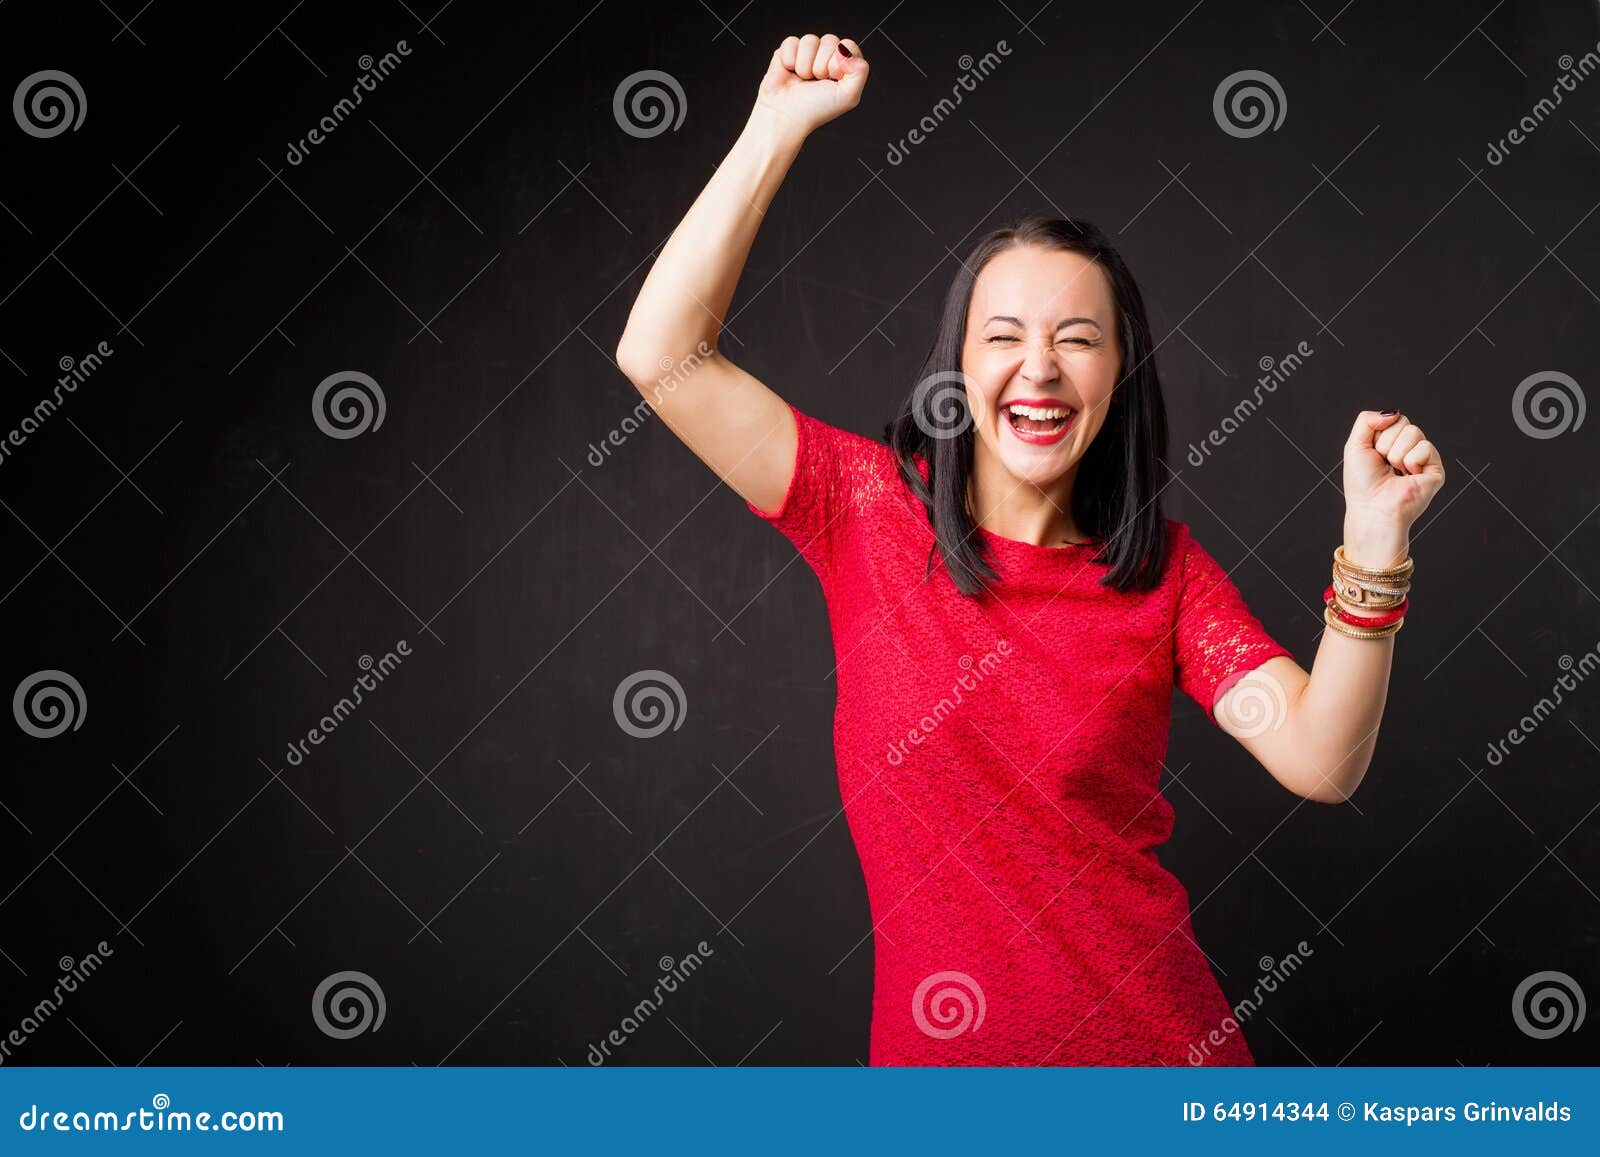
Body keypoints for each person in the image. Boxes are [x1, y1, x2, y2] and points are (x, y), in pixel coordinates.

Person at [615, 32, 1447, 1066]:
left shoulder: (1165, 577)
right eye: (1003, 334)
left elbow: (1322, 758)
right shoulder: (864, 508)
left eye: (1078, 338)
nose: (1039, 368)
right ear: (959, 365)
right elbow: (661, 355)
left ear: (1118, 376)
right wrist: (776, 127)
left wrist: (1374, 539)